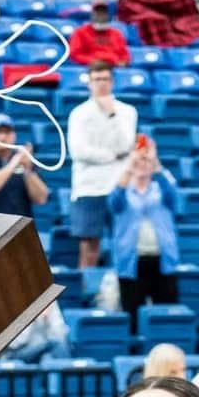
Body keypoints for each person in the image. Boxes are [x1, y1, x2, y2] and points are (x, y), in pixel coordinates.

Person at [66, 62, 137, 270]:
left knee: (125, 243)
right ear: (89, 83)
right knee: (89, 246)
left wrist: (111, 115)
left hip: (120, 187)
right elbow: (79, 152)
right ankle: (87, 296)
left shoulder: (127, 112)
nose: (102, 84)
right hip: (89, 188)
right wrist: (114, 155)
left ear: (112, 82)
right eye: (97, 80)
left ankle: (124, 293)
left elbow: (127, 144)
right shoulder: (78, 114)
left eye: (105, 79)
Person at [109, 140, 180, 330]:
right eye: (138, 161)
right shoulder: (123, 188)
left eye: (145, 161)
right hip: (131, 262)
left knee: (165, 317)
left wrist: (155, 164)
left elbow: (174, 197)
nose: (142, 165)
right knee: (131, 317)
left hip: (162, 262)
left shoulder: (162, 187)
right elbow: (114, 203)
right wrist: (129, 168)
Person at [0, 114, 49, 220]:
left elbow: (41, 198)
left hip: (20, 228)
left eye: (7, 132)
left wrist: (28, 170)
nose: (3, 137)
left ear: (14, 135)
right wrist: (12, 165)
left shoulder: (24, 160)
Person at [68, 2, 131, 68]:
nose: (101, 17)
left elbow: (125, 55)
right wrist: (94, 62)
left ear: (108, 15)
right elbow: (75, 55)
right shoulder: (80, 33)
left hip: (114, 67)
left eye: (104, 13)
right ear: (92, 15)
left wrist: (123, 62)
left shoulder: (116, 34)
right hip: (89, 68)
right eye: (98, 13)